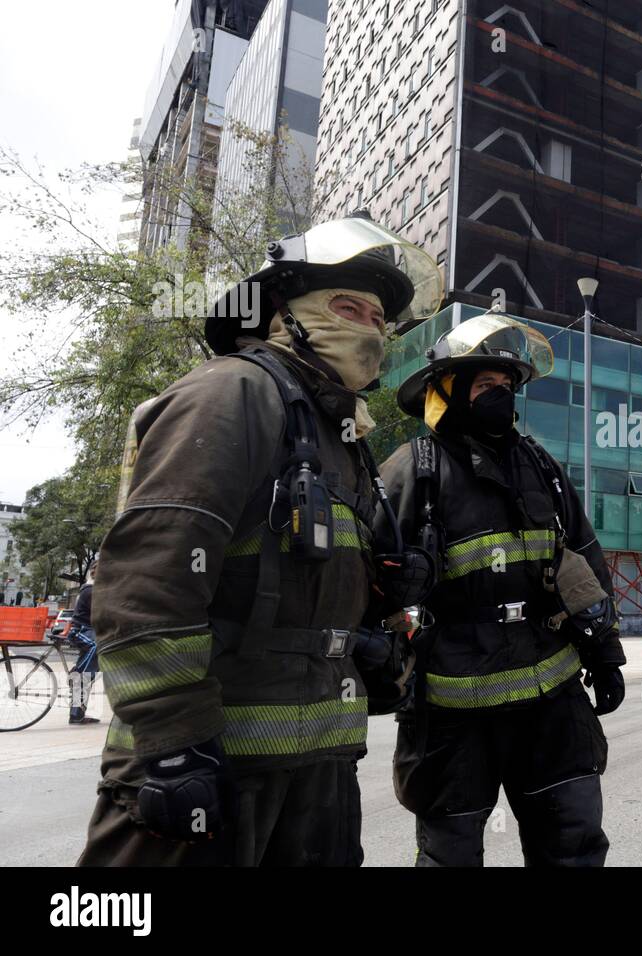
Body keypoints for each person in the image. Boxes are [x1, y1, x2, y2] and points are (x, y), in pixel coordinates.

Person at [78, 213, 441, 866]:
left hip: (318, 772)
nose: (369, 328)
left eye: (379, 319)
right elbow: (147, 576)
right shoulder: (234, 392)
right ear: (284, 312)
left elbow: (303, 582)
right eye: (348, 306)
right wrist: (173, 738)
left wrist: (370, 637)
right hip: (208, 767)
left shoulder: (341, 436)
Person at [375, 312, 625, 867]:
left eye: (508, 387)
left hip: (552, 706)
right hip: (453, 716)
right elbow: (368, 583)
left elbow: (581, 562)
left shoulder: (541, 467)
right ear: (449, 391)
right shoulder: (411, 473)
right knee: (450, 858)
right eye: (486, 385)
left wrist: (605, 653)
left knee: (575, 846)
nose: (501, 396)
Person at [68, 562, 99, 725]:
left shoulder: (91, 589)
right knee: (94, 649)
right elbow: (102, 613)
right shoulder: (90, 590)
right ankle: (77, 675)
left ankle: (77, 714)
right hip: (81, 631)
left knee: (90, 672)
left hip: (86, 631)